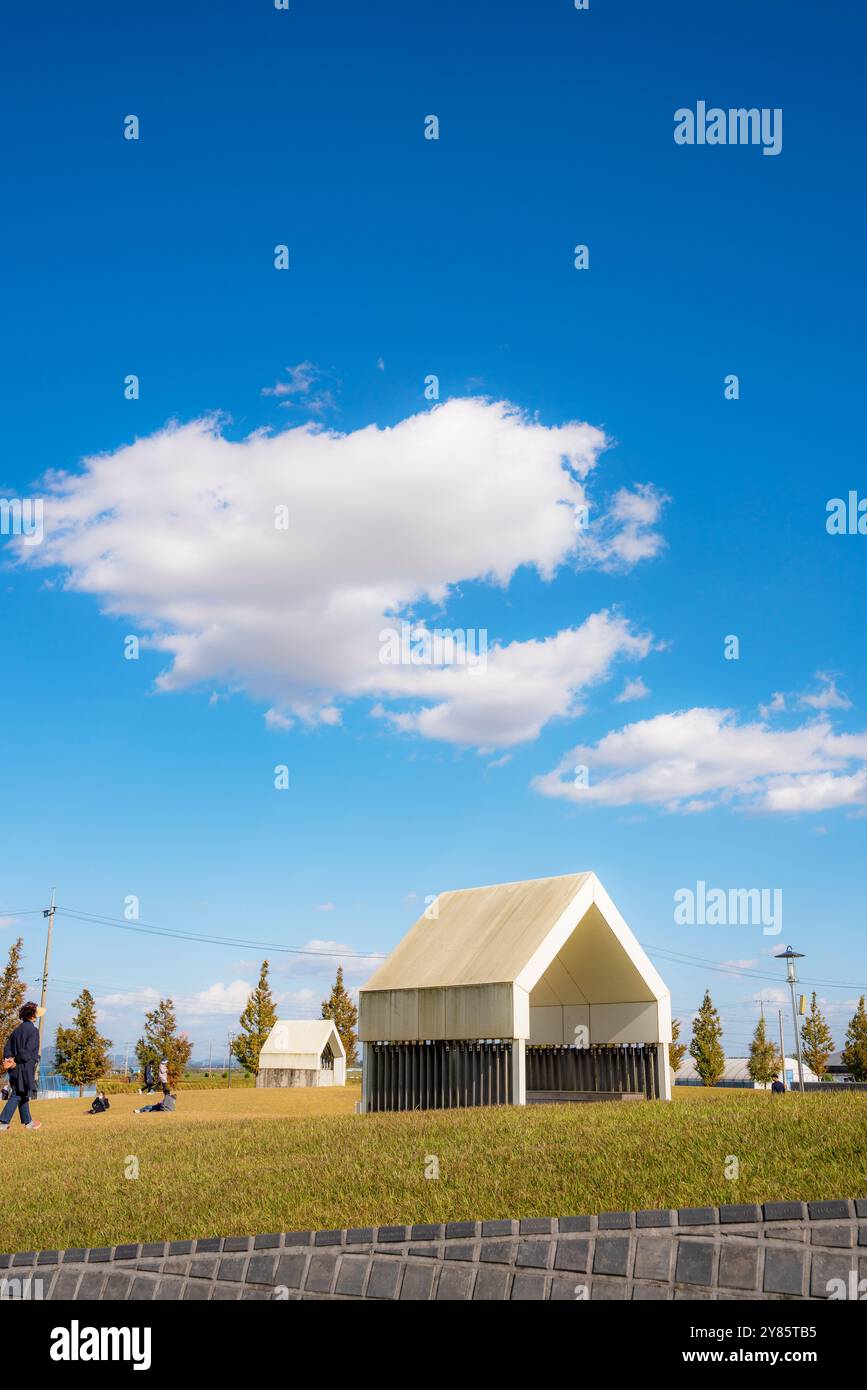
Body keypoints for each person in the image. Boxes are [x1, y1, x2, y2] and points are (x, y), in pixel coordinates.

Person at [0, 1001, 45, 1132]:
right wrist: (15, 1059)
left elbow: (7, 1048)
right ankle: (2, 1122)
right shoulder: (34, 1031)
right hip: (24, 1068)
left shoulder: (16, 1031)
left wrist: (9, 1060)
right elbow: (28, 1052)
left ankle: (28, 1122)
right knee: (18, 1094)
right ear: (32, 1016)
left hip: (13, 1069)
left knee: (23, 1093)